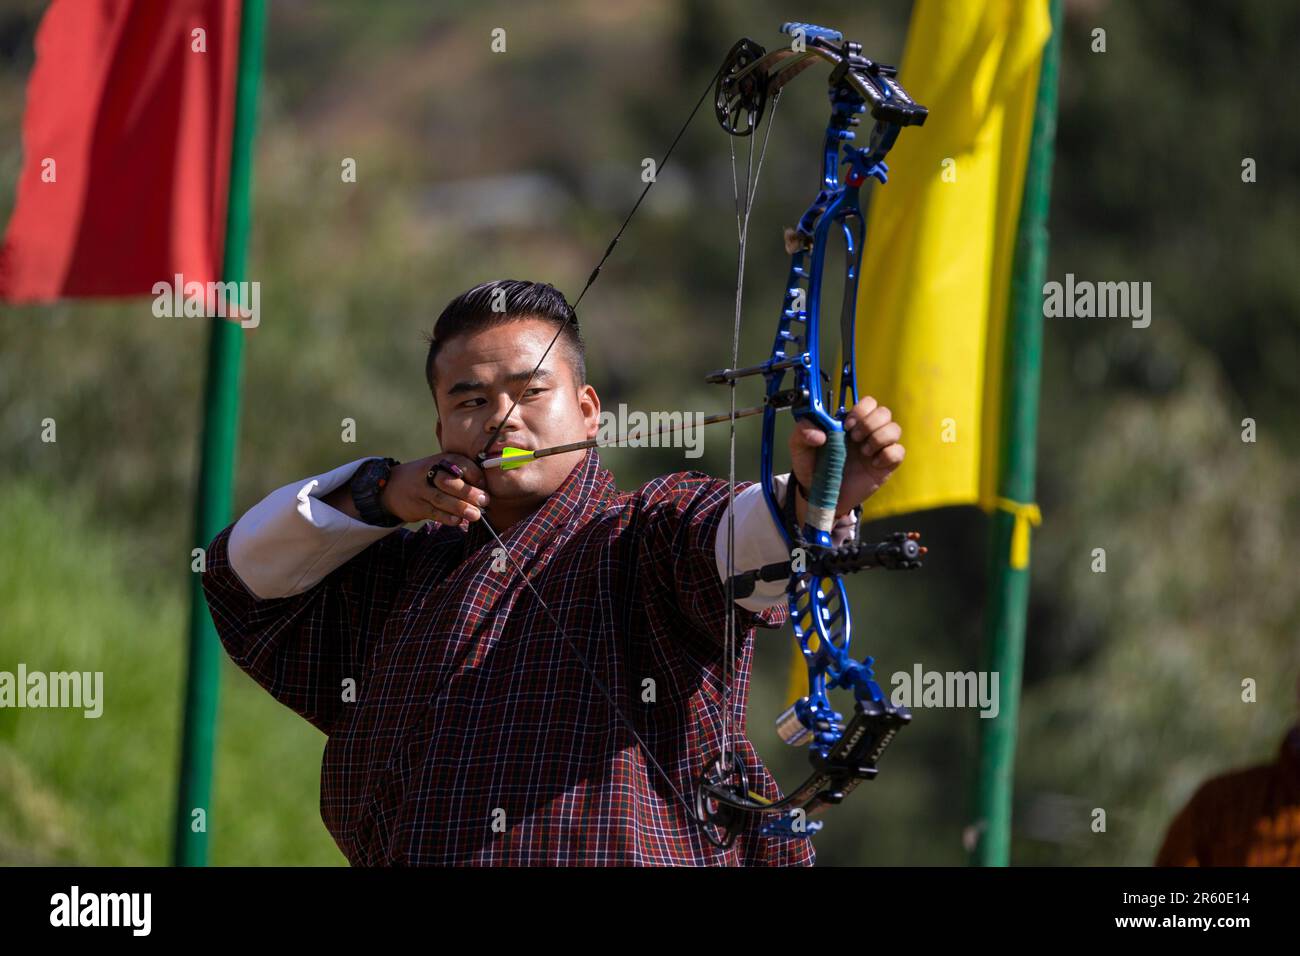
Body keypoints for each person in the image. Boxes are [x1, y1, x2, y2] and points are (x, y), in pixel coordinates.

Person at [202, 278, 906, 865]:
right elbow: (246, 578)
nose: (500, 419)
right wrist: (379, 493)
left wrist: (818, 495)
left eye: (529, 391)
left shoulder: (644, 536)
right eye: (470, 401)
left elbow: (733, 542)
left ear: (589, 410)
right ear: (441, 432)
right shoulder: (401, 575)